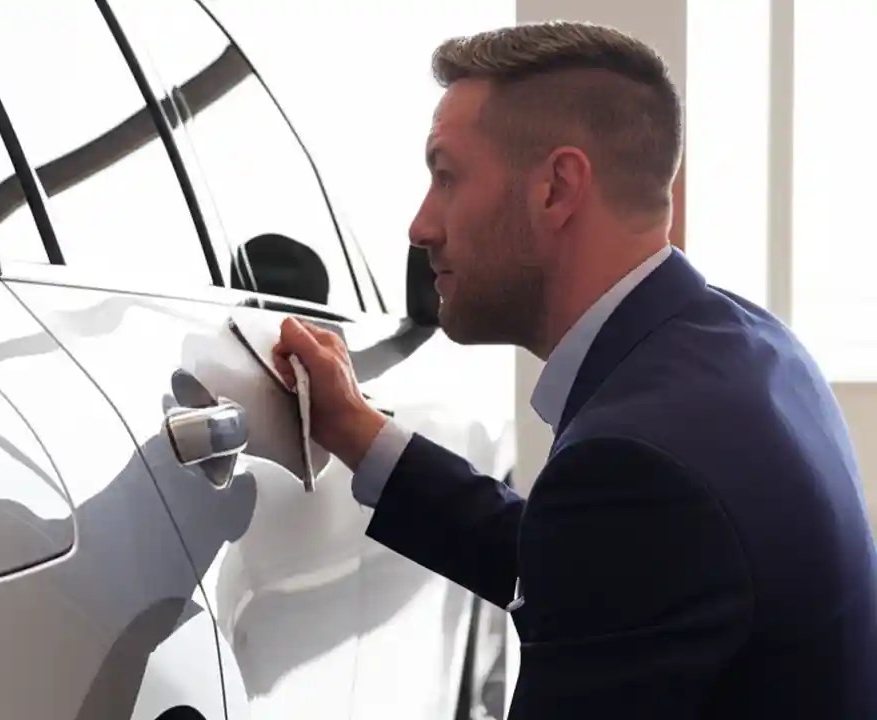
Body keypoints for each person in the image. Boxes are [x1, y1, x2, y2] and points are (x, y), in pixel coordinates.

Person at [273, 20, 877, 719]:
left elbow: (608, 545)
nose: (420, 225)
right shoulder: (751, 348)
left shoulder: (636, 463)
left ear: (556, 188)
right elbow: (587, 569)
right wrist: (359, 431)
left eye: (446, 176)